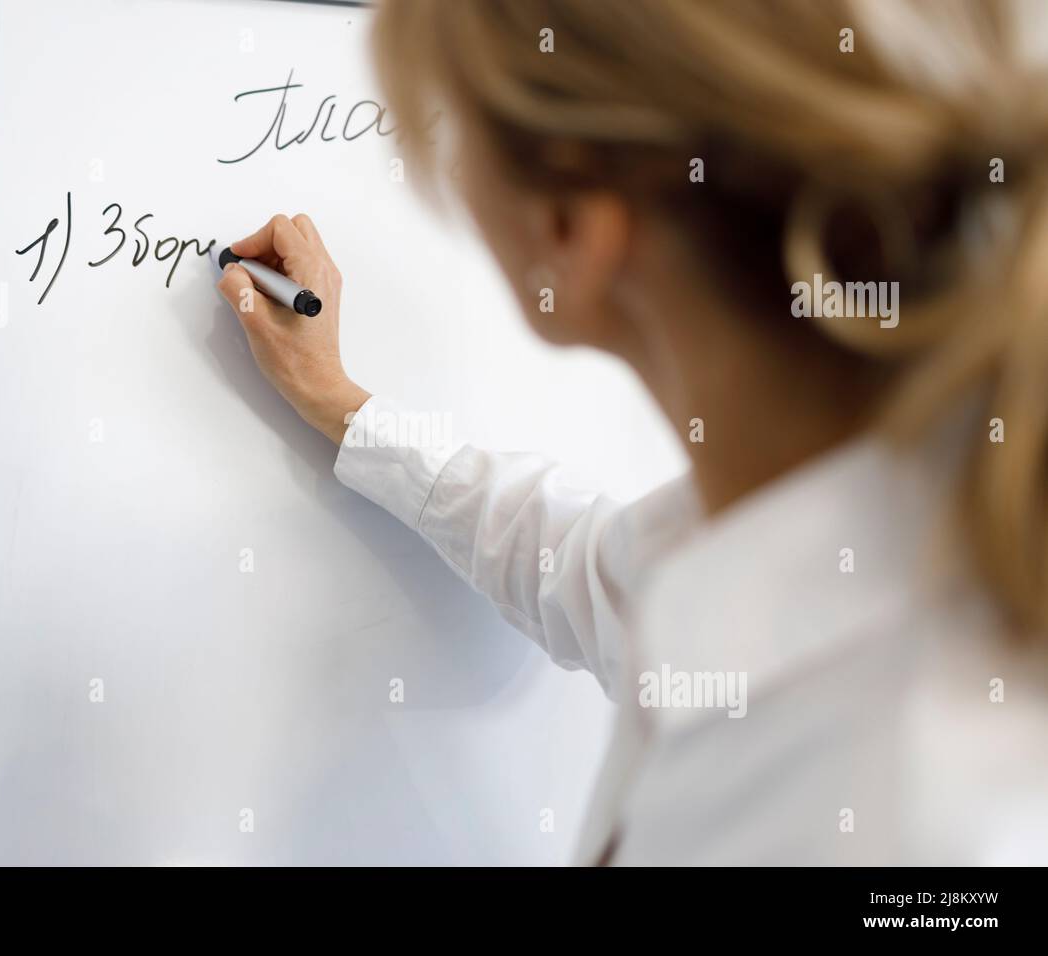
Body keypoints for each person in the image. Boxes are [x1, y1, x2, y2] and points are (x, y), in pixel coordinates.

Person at [216, 0, 1048, 864]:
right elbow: (584, 568)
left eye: (453, 138)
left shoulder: (919, 813)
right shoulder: (843, 506)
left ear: (570, 232)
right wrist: (346, 406)